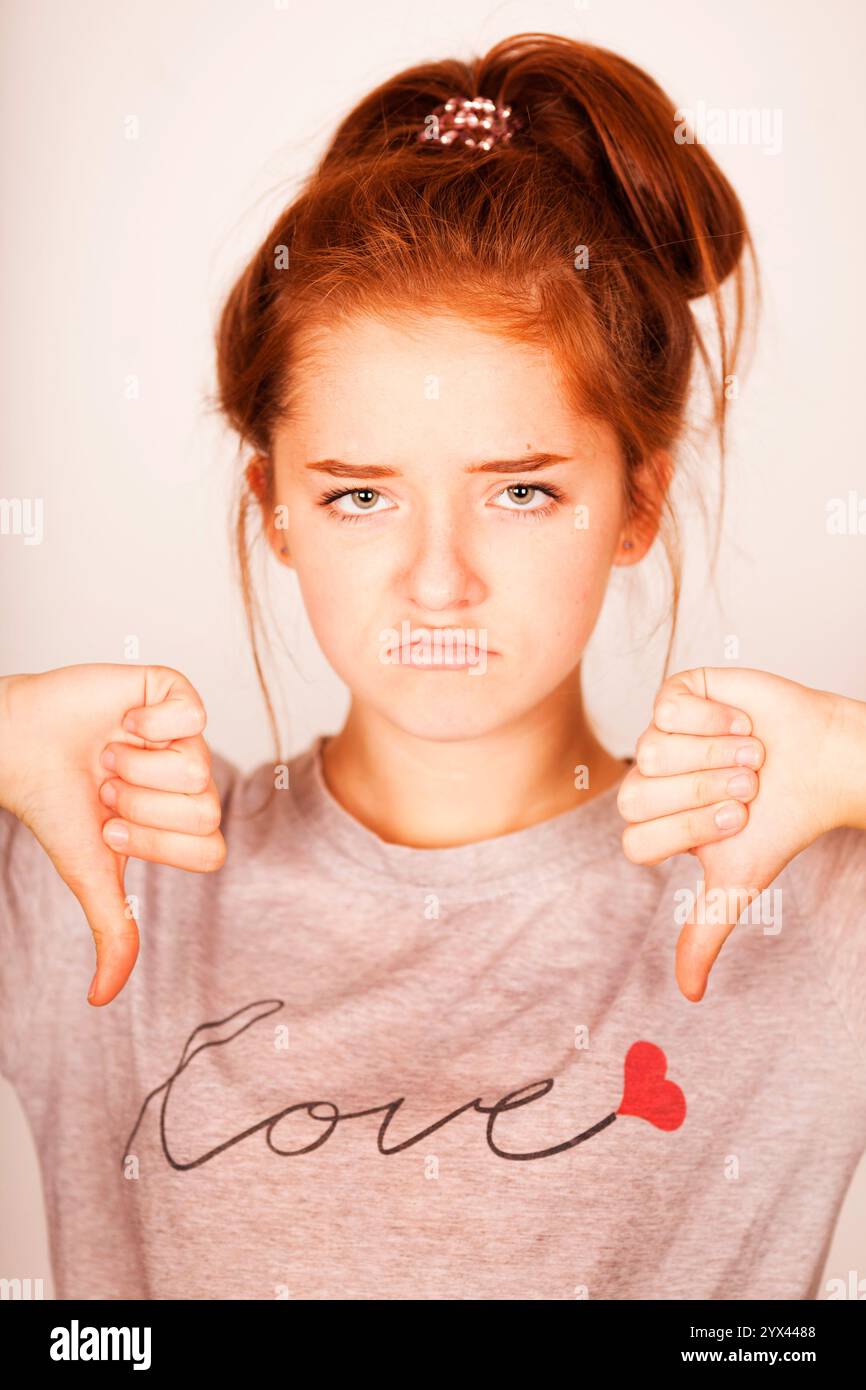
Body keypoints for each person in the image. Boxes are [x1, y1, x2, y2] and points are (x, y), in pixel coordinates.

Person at [1, 32, 865, 1302]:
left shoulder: (800, 909)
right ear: (273, 505)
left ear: (636, 501)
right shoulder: (106, 875)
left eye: (520, 490)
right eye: (358, 496)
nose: (438, 578)